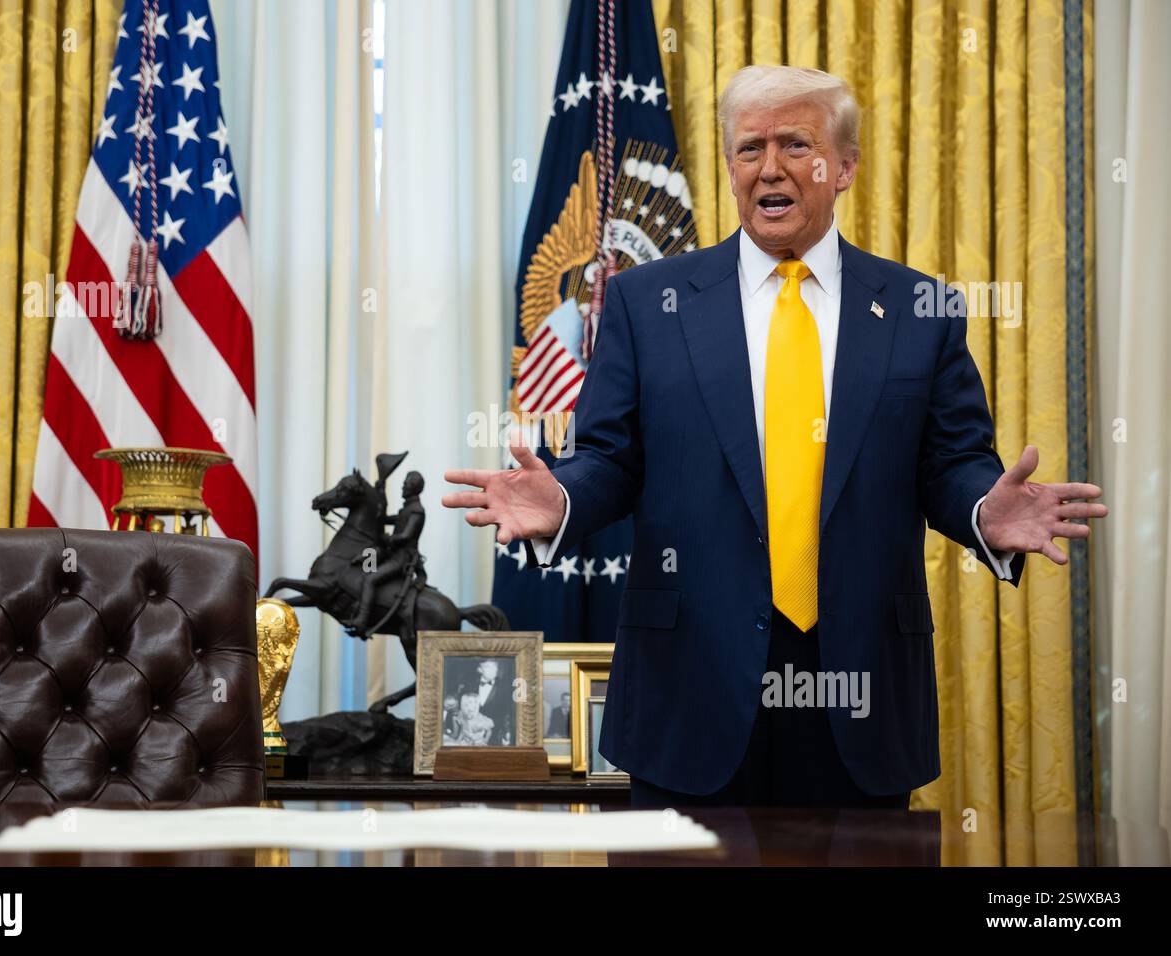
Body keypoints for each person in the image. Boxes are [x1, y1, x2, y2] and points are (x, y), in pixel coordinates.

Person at [444, 65, 1108, 808]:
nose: (769, 167)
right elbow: (609, 458)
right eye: (749, 148)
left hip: (857, 694)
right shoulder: (646, 301)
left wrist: (984, 512)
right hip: (686, 687)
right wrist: (560, 497)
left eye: (797, 144)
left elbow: (951, 463)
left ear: (845, 166)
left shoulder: (922, 307)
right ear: (730, 166)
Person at [352, 471, 425, 636]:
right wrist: (381, 491)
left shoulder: (416, 511)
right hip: (391, 552)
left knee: (371, 579)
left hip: (402, 557)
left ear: (413, 488)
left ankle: (362, 620)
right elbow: (383, 519)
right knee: (364, 564)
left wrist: (388, 539)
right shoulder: (405, 509)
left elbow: (406, 535)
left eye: (406, 484)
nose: (403, 487)